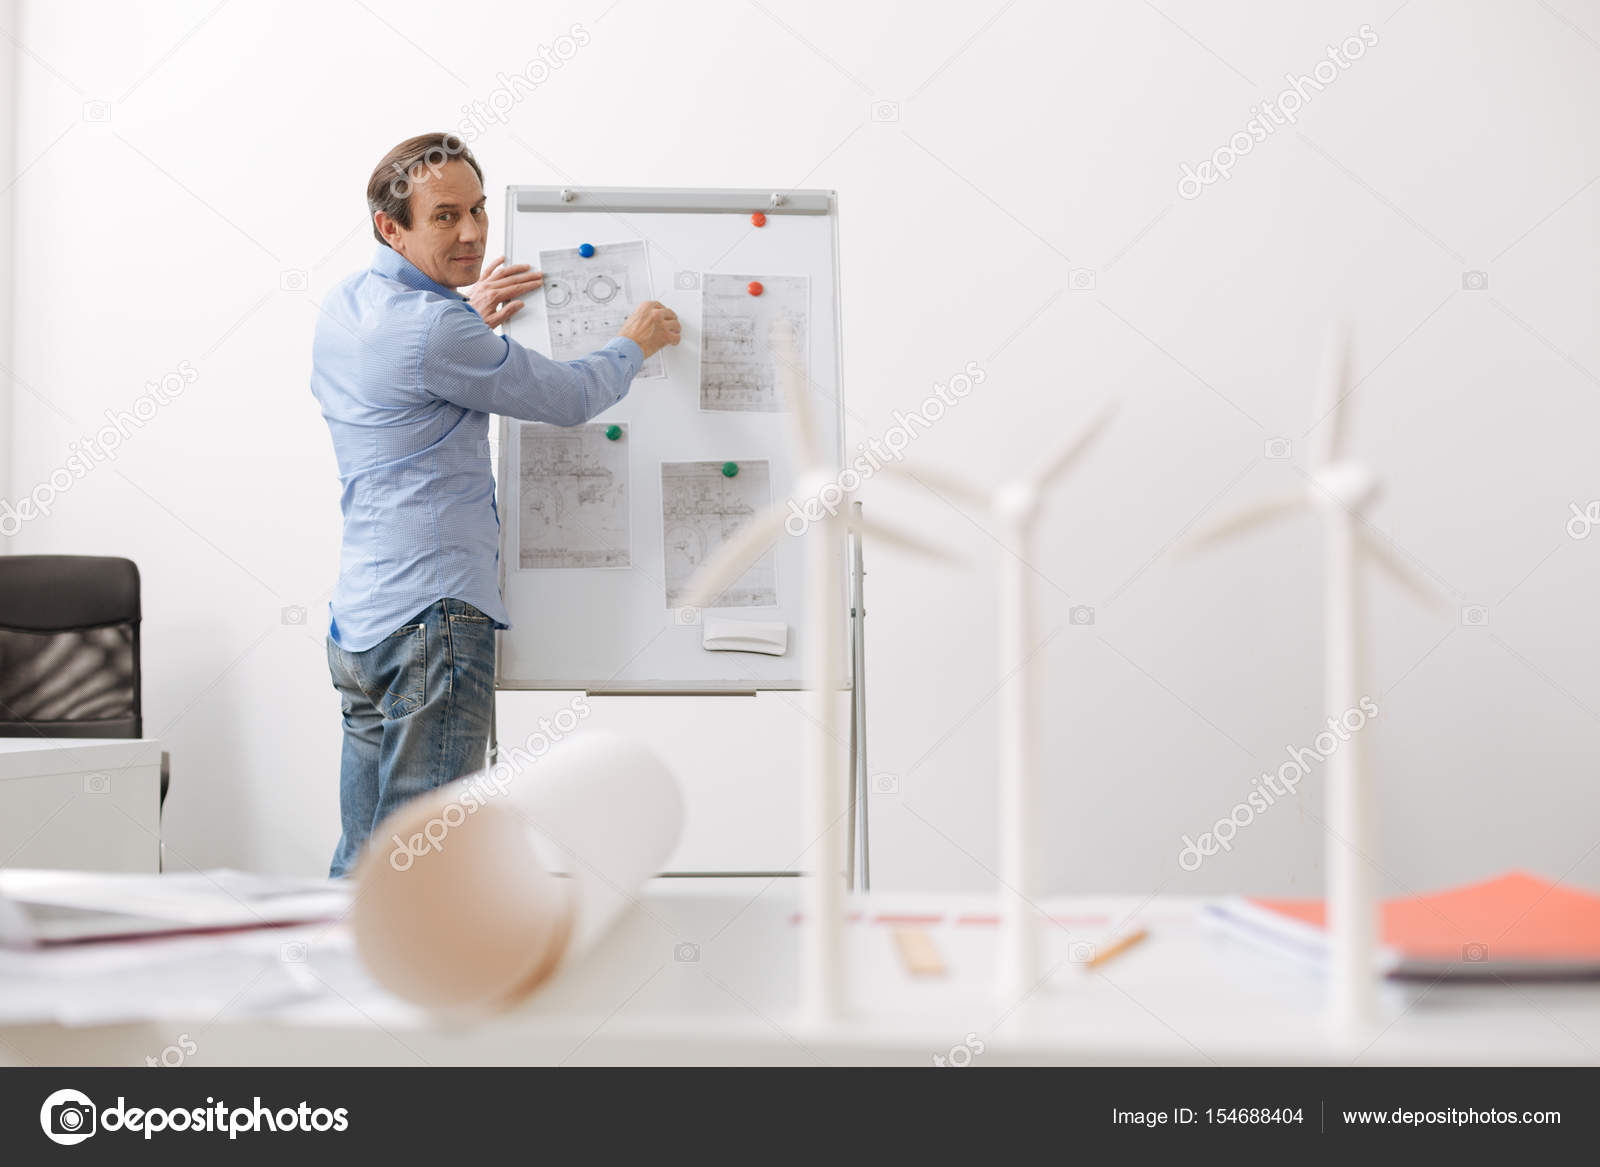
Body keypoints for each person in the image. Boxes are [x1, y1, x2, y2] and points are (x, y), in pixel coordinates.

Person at [310, 132, 680, 877]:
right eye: (445, 216)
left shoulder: (349, 304)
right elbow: (568, 396)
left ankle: (343, 987)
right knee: (426, 863)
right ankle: (415, 993)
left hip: (362, 626)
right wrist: (634, 343)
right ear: (393, 227)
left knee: (365, 859)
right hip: (432, 626)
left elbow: (410, 364)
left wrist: (467, 313)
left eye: (478, 209)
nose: (475, 232)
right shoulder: (437, 328)